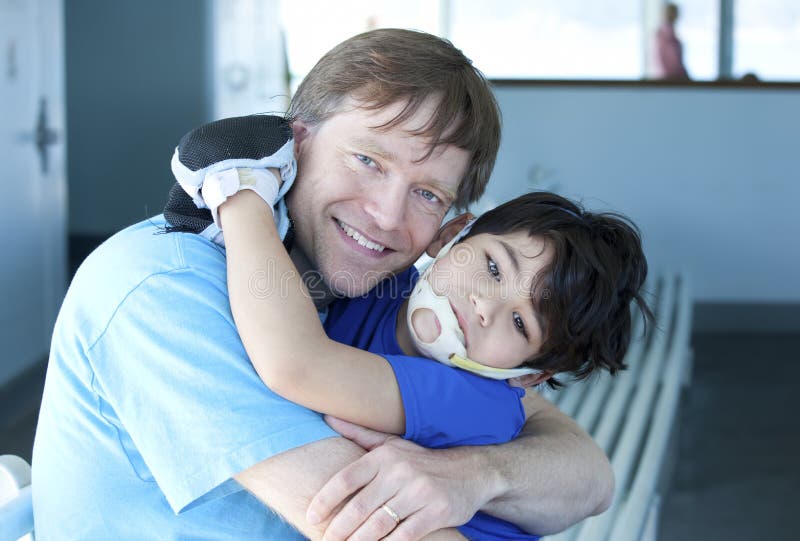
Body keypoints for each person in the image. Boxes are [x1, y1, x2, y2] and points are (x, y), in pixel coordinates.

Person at [32, 29, 613, 540]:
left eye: (428, 194)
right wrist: (240, 192)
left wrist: (480, 476)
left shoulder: (384, 293)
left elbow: (588, 474)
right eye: (368, 160)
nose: (387, 216)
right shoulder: (164, 291)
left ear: (448, 227)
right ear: (292, 144)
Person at [204, 176, 651, 539]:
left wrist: (241, 196)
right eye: (494, 267)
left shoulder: (475, 401)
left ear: (530, 377)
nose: (485, 305)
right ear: (454, 234)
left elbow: (297, 365)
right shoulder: (384, 286)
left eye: (520, 324)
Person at [654, 3, 690, 80]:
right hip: (671, 78)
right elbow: (673, 62)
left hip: (668, 77)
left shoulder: (663, 32)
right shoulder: (667, 34)